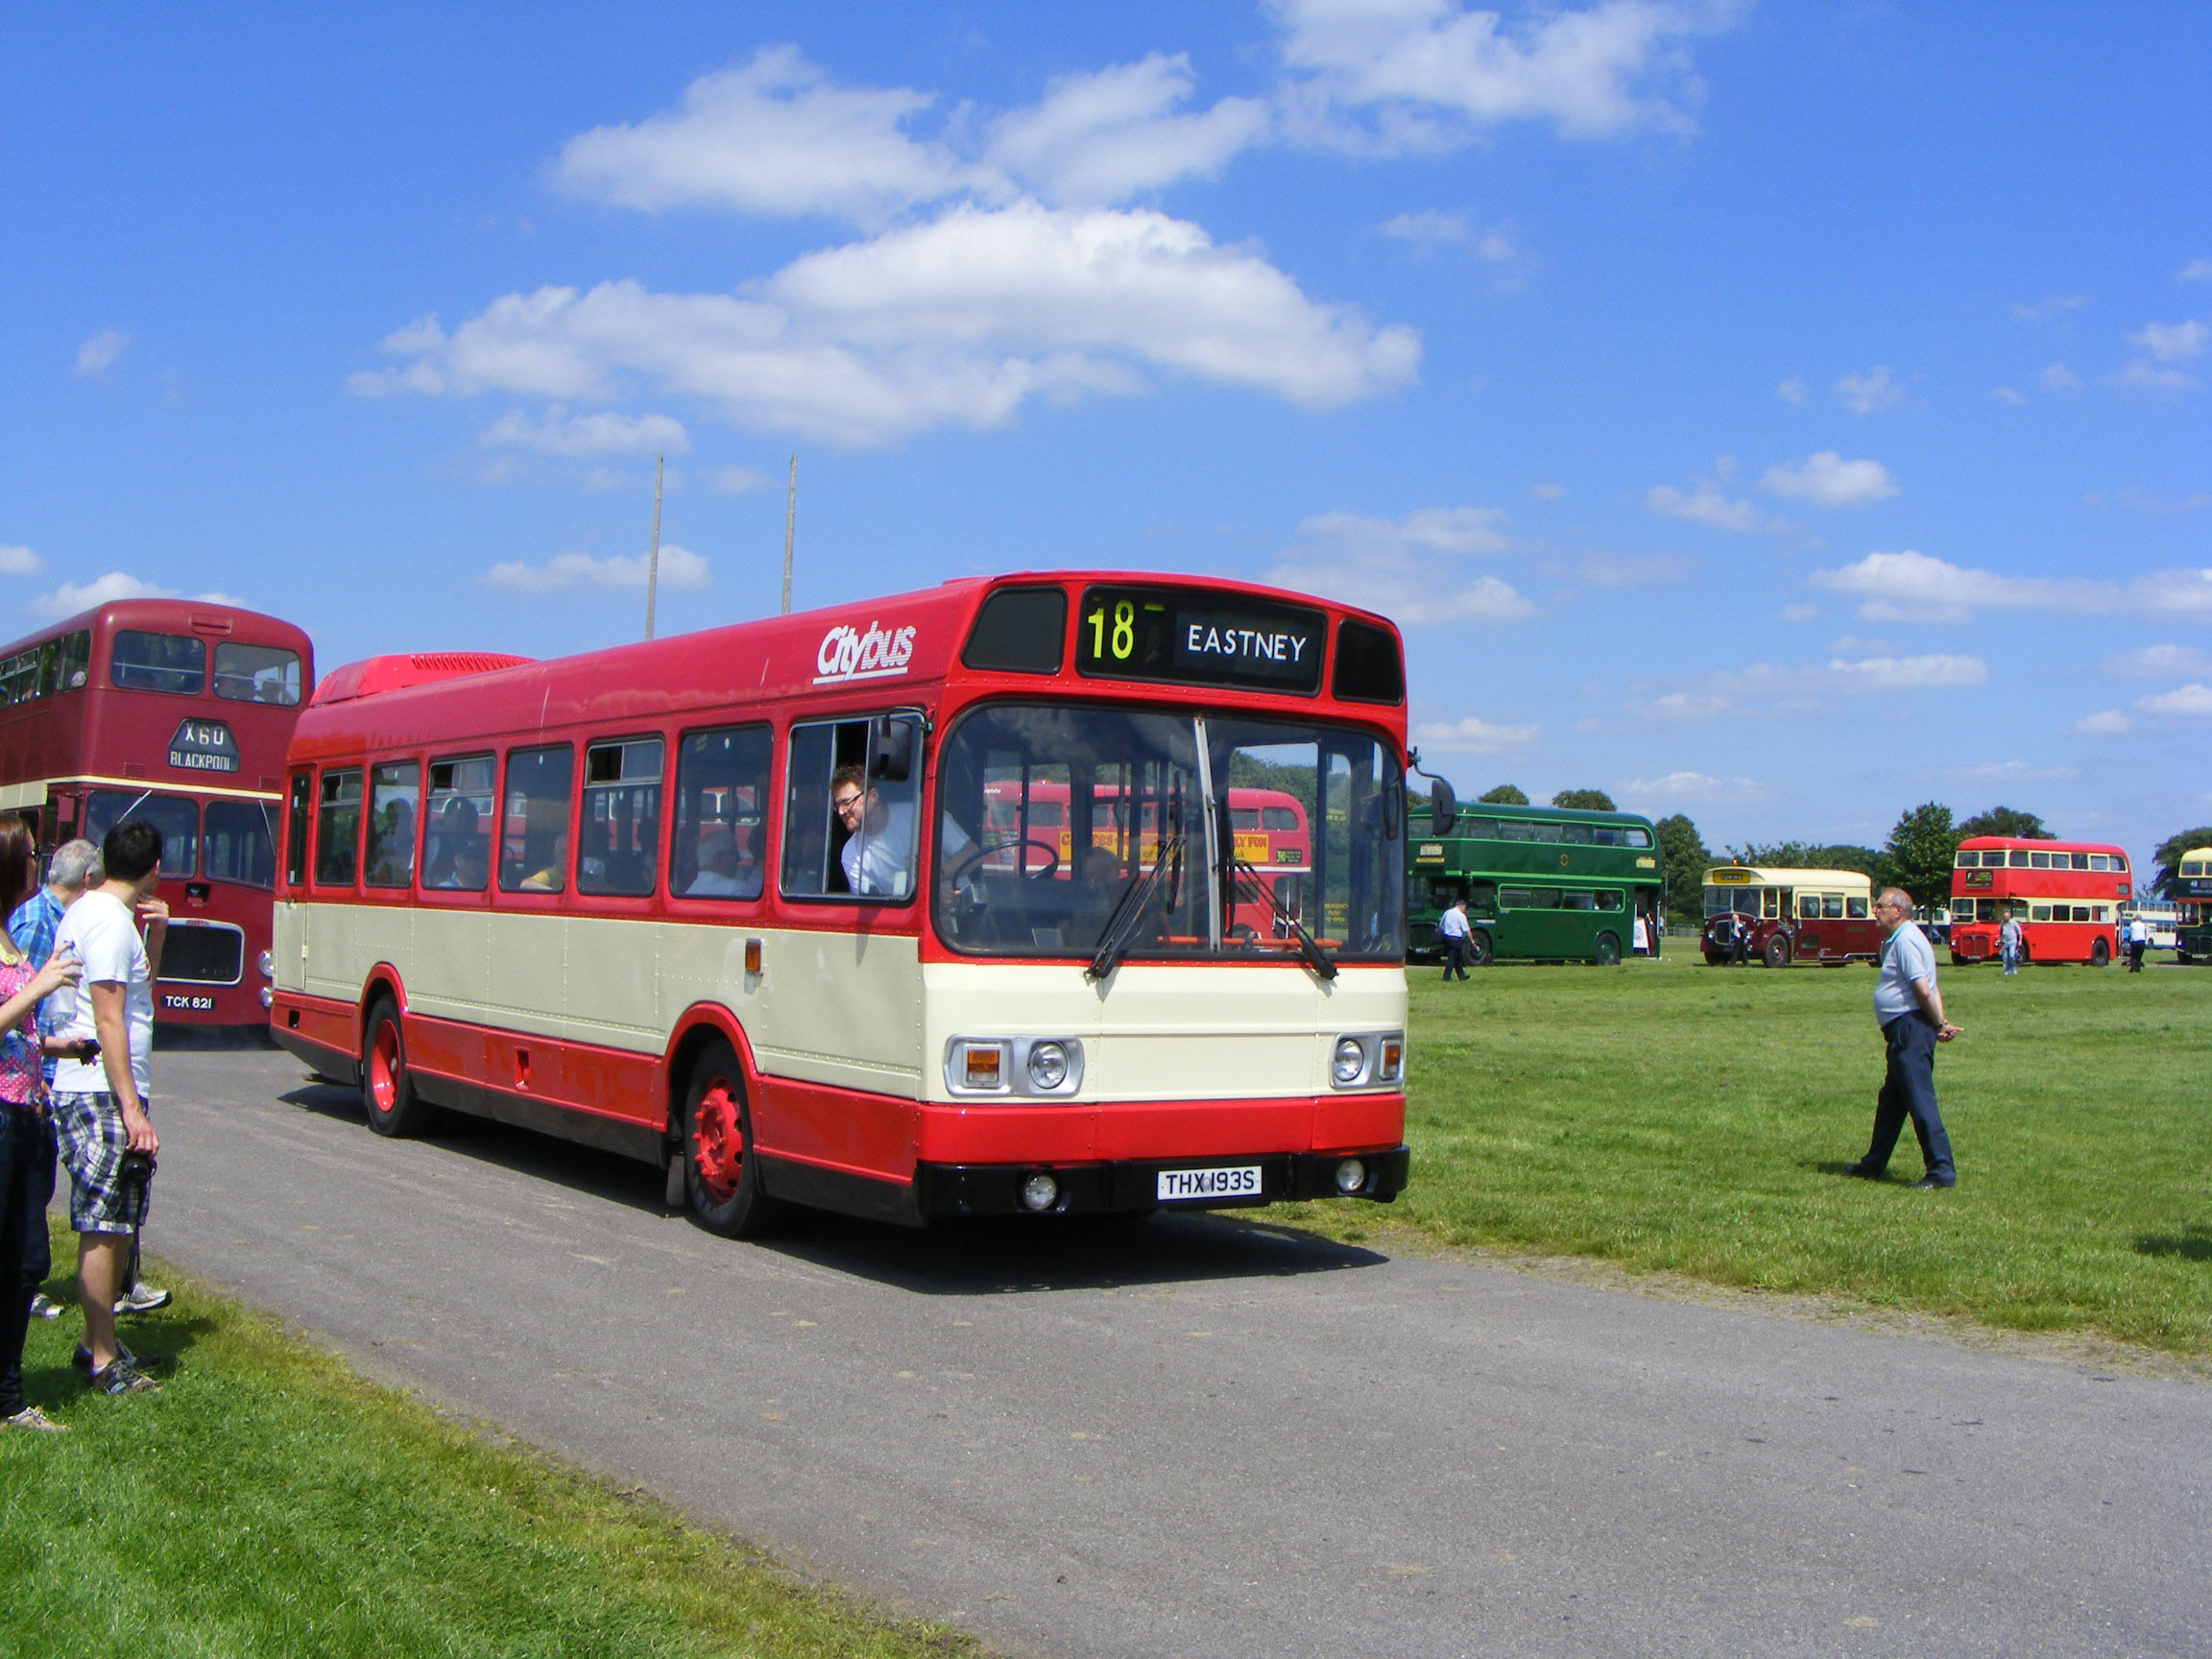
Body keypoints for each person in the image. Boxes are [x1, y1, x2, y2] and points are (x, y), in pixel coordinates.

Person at [50, 819, 170, 1395]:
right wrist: (131, 1108)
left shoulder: (106, 916)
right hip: (99, 1087)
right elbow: (107, 1017)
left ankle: (95, 1342)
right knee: (101, 1223)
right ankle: (101, 1362)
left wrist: (160, 932)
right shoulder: (106, 922)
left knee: (119, 1219)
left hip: (110, 1086)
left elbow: (139, 990)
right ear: (154, 869)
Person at [9, 837, 101, 1321]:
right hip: (14, 1087)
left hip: (34, 1076)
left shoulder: (43, 919)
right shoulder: (32, 920)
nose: (36, 865)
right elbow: (17, 1007)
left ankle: (25, 1282)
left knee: (33, 1188)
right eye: (29, 856)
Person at [0, 928, 84, 1430]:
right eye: (28, 849)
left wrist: (59, 1046)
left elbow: (16, 1033)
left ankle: (8, 1402)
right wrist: (39, 987)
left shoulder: (8, 934)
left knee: (26, 1260)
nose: (37, 857)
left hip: (27, 1115)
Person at [1844, 887, 1960, 1190]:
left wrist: (1937, 1023)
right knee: (1892, 1103)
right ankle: (1873, 1165)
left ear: (1898, 910)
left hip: (1910, 1029)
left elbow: (1923, 988)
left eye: (1879, 906)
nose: (1874, 910)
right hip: (1907, 1029)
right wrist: (1939, 1022)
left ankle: (1941, 1172)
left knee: (1920, 1100)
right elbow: (1932, 987)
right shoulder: (1904, 939)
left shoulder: (1907, 941)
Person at [832, 764, 916, 898]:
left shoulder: (916, 816)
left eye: (847, 802)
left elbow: (962, 851)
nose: (841, 812)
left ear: (873, 796)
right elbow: (873, 903)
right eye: (837, 805)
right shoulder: (850, 854)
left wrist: (934, 880)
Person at [1437, 898, 1473, 981]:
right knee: (1452, 958)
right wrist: (1472, 941)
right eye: (1464, 908)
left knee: (1457, 958)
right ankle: (1446, 976)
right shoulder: (1461, 915)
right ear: (1461, 906)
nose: (1464, 910)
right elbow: (1466, 929)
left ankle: (1462, 976)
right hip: (1456, 939)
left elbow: (1441, 924)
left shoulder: (1447, 912)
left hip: (1447, 937)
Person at [1999, 909, 2023, 976]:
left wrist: (2020, 940)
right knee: (2005, 958)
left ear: (2009, 917)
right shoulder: (2002, 923)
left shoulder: (2013, 922)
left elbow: (2019, 932)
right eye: (2004, 916)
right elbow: (2000, 931)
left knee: (2011, 956)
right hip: (2004, 942)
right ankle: (2006, 971)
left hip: (2012, 941)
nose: (2005, 918)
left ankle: (2013, 968)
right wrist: (1999, 939)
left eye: (2006, 916)